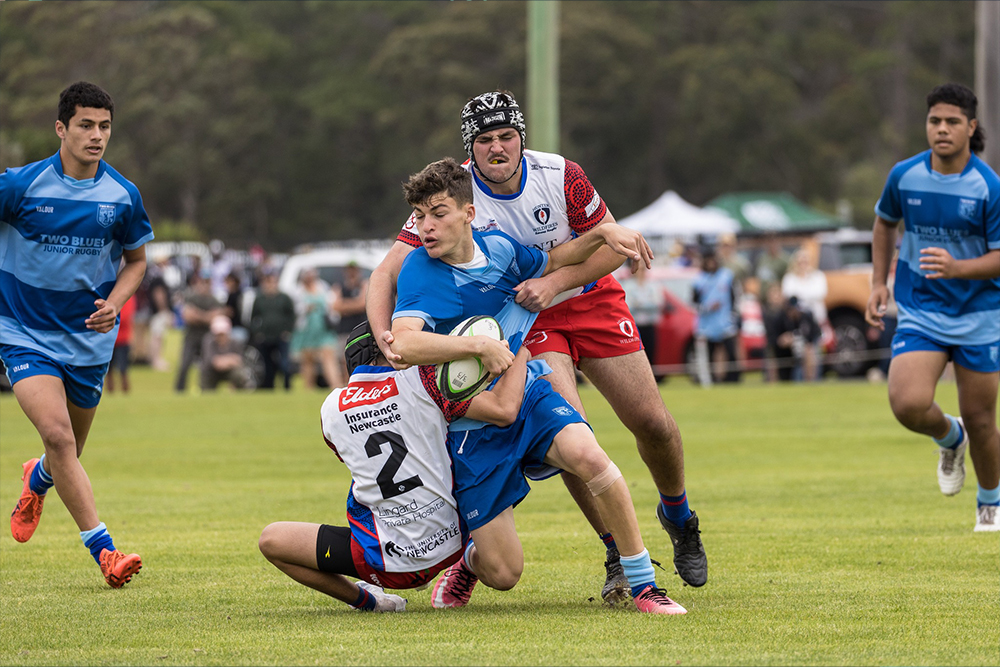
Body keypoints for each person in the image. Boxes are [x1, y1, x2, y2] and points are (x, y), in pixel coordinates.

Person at [367, 92, 708, 601]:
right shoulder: (451, 194)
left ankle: (678, 515)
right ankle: (617, 555)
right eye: (485, 139)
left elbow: (606, 244)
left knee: (652, 421)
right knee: (572, 429)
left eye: (507, 136)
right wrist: (386, 340)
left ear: (521, 138)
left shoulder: (560, 174)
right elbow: (386, 272)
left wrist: (554, 283)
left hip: (588, 297)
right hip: (527, 318)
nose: (497, 147)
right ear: (470, 148)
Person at [260, 320, 686, 615]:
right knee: (493, 457)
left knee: (273, 539)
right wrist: (519, 349)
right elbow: (503, 410)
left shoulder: (330, 409)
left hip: (385, 563)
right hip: (452, 536)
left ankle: (368, 601)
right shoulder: (424, 381)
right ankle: (472, 560)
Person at [2, 81, 151, 587]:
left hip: (87, 341)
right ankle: (106, 552)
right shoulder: (20, 186)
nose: (96, 135)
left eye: (104, 126)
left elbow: (137, 262)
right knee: (58, 435)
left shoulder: (122, 195)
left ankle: (37, 477)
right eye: (85, 125)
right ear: (61, 129)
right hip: (23, 332)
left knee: (68, 451)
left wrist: (115, 304)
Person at [865, 82, 1000, 532]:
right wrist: (878, 283)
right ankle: (949, 435)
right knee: (908, 403)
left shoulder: (988, 186)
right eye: (934, 121)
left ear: (971, 127)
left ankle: (990, 504)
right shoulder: (904, 175)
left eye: (952, 122)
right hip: (921, 309)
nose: (942, 129)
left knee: (982, 419)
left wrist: (958, 268)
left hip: (979, 315)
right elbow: (884, 224)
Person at [692, 246, 740, 384]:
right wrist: (707, 307)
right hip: (707, 325)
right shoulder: (698, 280)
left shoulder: (727, 276)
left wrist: (733, 316)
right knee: (709, 355)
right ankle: (711, 380)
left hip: (725, 322)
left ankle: (732, 380)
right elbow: (693, 304)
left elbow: (735, 298)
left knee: (731, 353)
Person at [290, 268, 343, 390]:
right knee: (308, 360)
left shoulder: (323, 287)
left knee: (328, 357)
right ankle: (308, 388)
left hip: (324, 329)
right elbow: (294, 311)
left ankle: (336, 386)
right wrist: (307, 308)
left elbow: (332, 306)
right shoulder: (297, 291)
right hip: (307, 331)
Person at [781, 248, 827, 381]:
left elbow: (820, 293)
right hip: (797, 323)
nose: (803, 264)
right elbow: (789, 297)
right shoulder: (789, 278)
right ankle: (799, 380)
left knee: (815, 351)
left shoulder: (818, 276)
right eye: (800, 261)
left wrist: (800, 297)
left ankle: (815, 379)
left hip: (816, 321)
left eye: (805, 261)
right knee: (799, 353)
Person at [174, 270, 223, 393]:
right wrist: (206, 316)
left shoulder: (215, 300)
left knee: (207, 365)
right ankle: (179, 391)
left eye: (208, 282)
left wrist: (198, 315)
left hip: (208, 337)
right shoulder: (191, 297)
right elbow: (188, 316)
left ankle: (206, 389)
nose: (205, 285)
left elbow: (216, 318)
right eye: (203, 281)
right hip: (191, 336)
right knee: (184, 364)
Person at [248, 268, 296, 391]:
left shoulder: (284, 298)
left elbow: (291, 316)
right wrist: (257, 332)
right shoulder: (260, 299)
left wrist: (288, 330)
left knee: (284, 363)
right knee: (267, 364)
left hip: (281, 336)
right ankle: (269, 387)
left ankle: (287, 386)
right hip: (266, 336)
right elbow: (253, 318)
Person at [620, 262, 666, 381]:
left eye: (642, 269)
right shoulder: (628, 286)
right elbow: (628, 305)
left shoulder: (653, 285)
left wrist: (639, 304)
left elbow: (658, 303)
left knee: (650, 352)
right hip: (635, 326)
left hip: (649, 325)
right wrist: (647, 304)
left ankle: (650, 379)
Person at [332, 261, 369, 380]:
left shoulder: (364, 284)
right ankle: (347, 383)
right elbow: (335, 306)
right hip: (344, 329)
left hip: (360, 329)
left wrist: (345, 305)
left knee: (362, 358)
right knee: (344, 360)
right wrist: (355, 304)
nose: (351, 272)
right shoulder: (339, 286)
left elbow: (363, 304)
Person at [771, 296, 821, 382]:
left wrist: (807, 344)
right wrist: (782, 340)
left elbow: (815, 334)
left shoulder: (806, 317)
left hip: (806, 349)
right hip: (788, 352)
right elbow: (774, 339)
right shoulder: (780, 319)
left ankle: (811, 380)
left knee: (809, 353)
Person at [200, 315, 251, 391]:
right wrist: (229, 359)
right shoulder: (208, 341)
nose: (220, 337)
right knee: (205, 373)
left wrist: (222, 361)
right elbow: (210, 360)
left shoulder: (235, 342)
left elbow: (239, 360)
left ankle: (239, 391)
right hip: (212, 372)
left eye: (222, 334)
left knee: (239, 373)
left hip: (230, 371)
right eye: (218, 334)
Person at [105, 296, 136, 393]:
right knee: (108, 369)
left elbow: (126, 316)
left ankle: (125, 390)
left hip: (122, 339)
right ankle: (110, 391)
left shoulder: (128, 296)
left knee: (123, 368)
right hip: (109, 339)